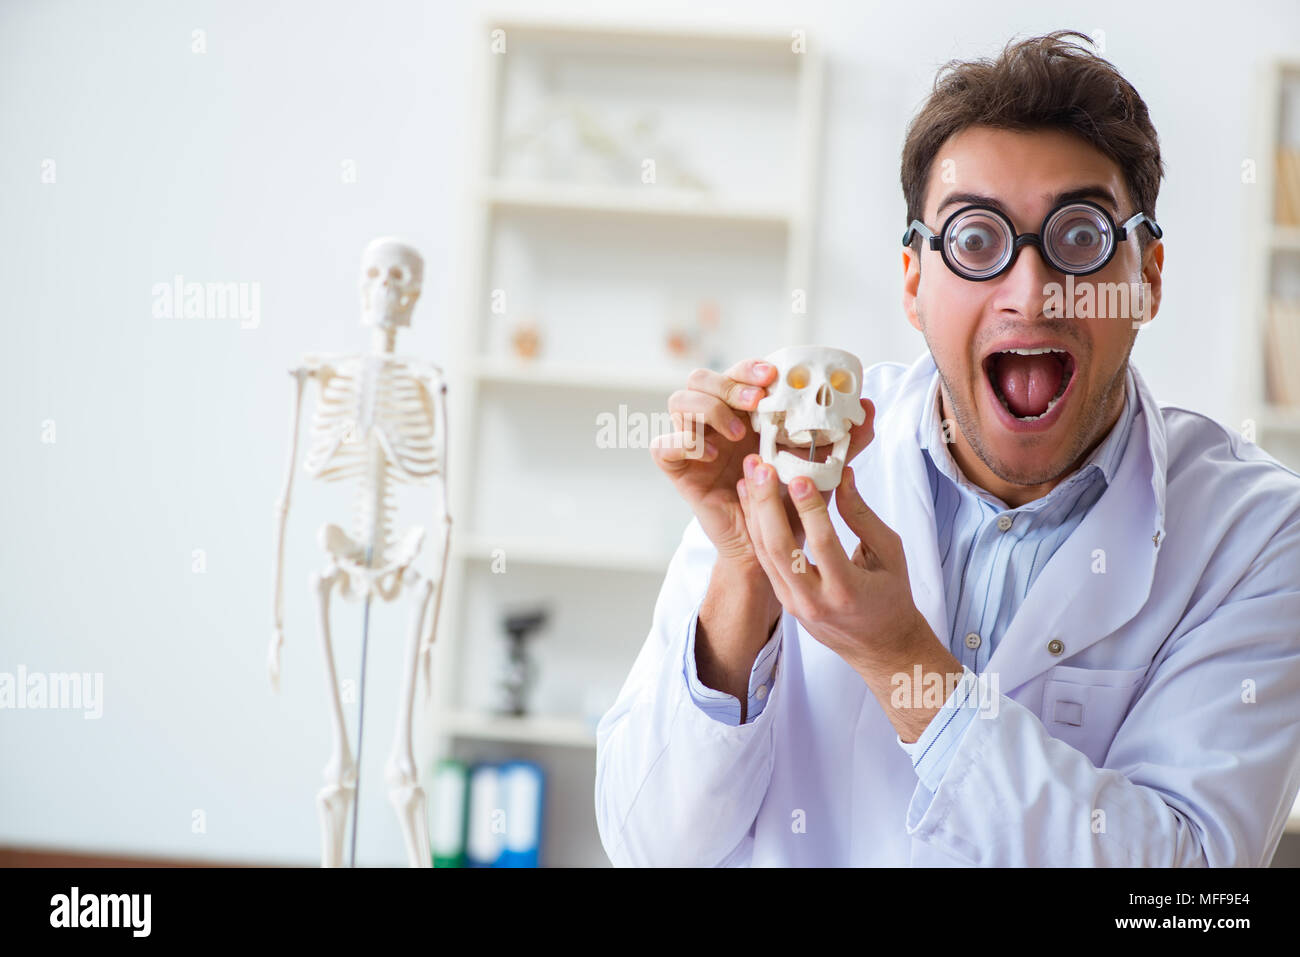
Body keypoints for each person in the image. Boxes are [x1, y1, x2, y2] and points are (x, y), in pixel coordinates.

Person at [594, 30, 1300, 866]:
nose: (1030, 295)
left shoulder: (1257, 535)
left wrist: (901, 663)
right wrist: (749, 568)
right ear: (912, 281)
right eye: (975, 240)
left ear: (1146, 274)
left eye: (1081, 239)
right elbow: (650, 846)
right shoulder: (789, 463)